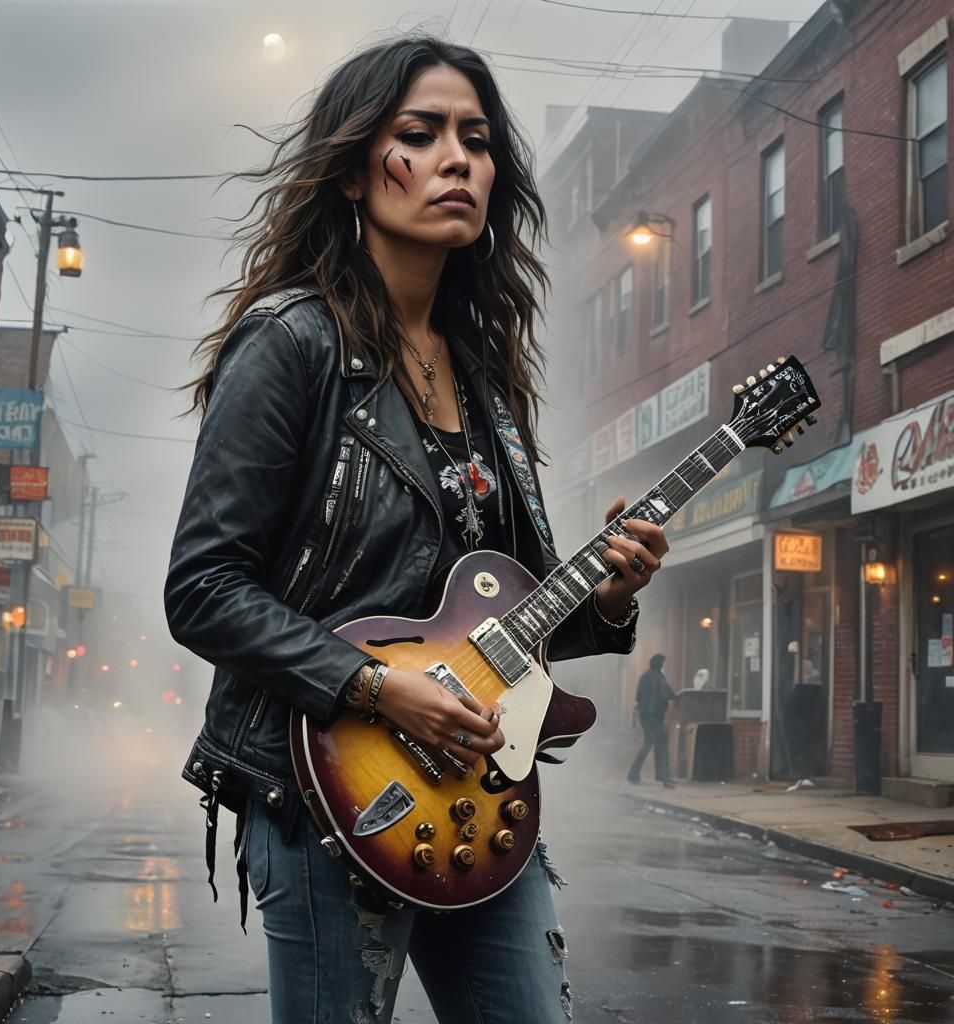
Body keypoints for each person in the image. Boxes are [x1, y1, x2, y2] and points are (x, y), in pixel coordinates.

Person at [164, 36, 669, 1024]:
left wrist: (606, 596)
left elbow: (509, 619)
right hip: (325, 795)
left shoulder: (485, 378)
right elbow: (204, 587)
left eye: (475, 141)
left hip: (477, 804)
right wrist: (380, 688)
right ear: (356, 170)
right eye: (420, 134)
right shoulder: (292, 344)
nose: (455, 158)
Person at [627, 654, 678, 787]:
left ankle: (633, 773)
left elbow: (638, 696)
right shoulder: (659, 677)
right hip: (654, 716)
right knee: (661, 743)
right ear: (660, 664)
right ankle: (663, 776)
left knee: (648, 745)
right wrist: (674, 696)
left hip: (644, 715)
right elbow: (667, 693)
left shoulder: (644, 677)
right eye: (663, 663)